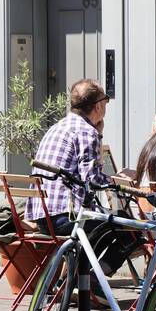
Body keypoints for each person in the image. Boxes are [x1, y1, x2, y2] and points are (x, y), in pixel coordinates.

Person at [27, 79, 111, 236]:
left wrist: (98, 134)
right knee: (119, 226)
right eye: (106, 100)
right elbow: (92, 180)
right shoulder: (86, 131)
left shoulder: (57, 127)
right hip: (66, 217)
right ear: (98, 105)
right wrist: (116, 181)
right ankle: (94, 262)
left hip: (42, 216)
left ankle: (82, 261)